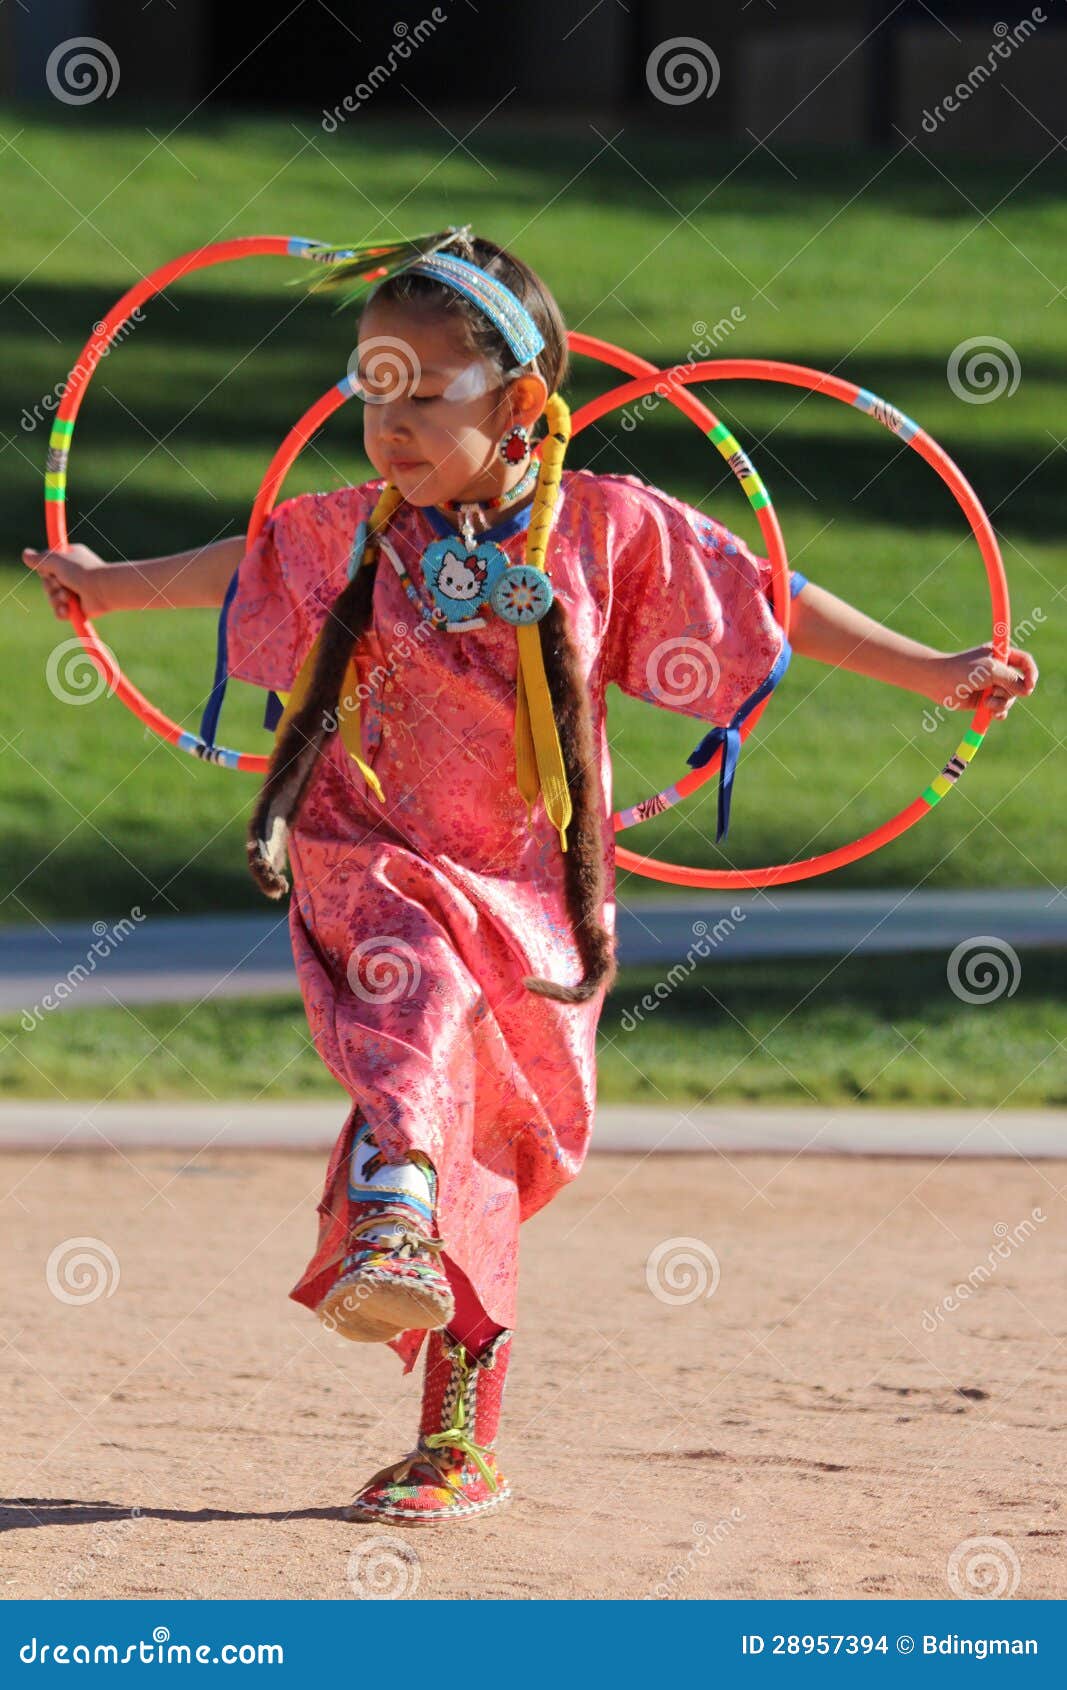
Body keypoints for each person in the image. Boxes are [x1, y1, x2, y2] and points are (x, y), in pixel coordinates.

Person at [23, 225, 1038, 1526]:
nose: (385, 422)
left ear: (518, 404)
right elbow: (242, 566)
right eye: (368, 387)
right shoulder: (352, 536)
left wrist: (938, 672)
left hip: (538, 899)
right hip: (375, 858)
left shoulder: (608, 534)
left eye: (420, 393)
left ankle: (457, 1422)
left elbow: (770, 602)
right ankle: (394, 1200)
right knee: (420, 988)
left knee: (492, 1148)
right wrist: (110, 586)